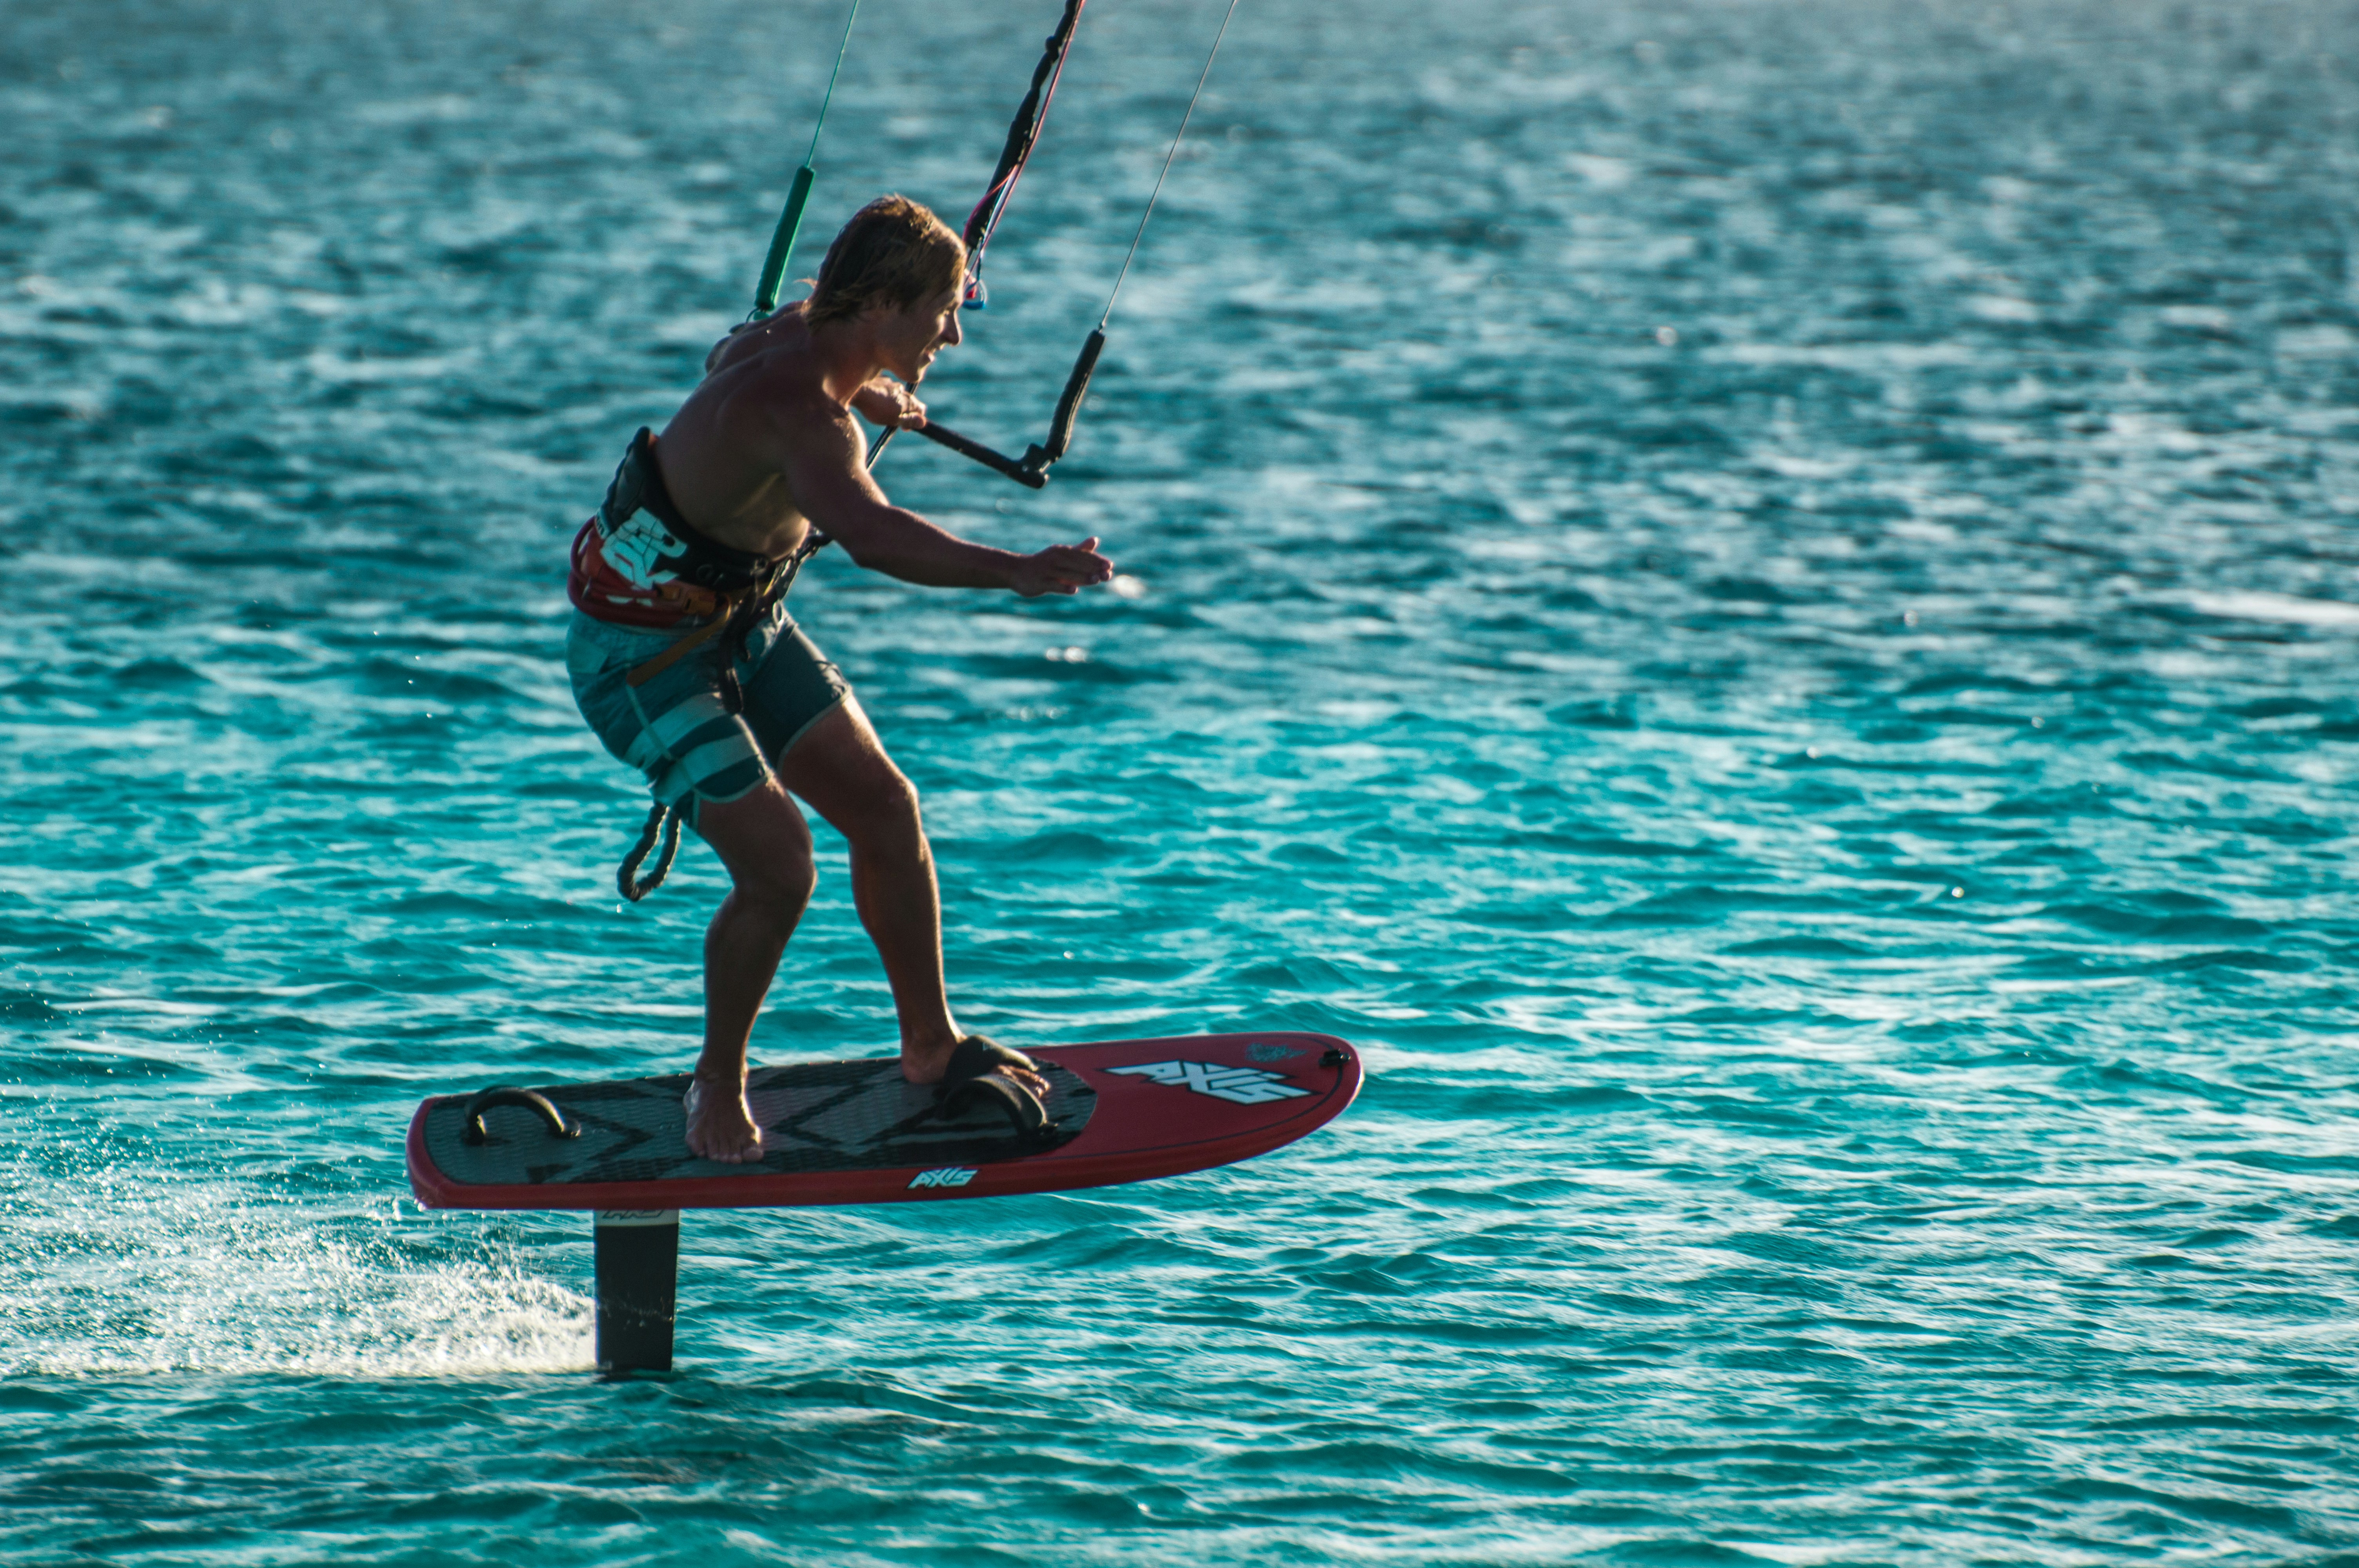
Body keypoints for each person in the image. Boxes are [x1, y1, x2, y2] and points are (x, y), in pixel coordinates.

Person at [565, 195, 1114, 1162]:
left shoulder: (795, 344)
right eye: (943, 308)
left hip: (737, 620)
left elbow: (726, 364)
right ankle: (718, 1081)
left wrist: (864, 386)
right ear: (884, 304)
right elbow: (871, 533)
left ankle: (928, 1042)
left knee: (884, 806)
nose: (952, 331)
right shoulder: (811, 419)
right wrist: (1015, 568)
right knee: (779, 866)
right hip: (639, 660)